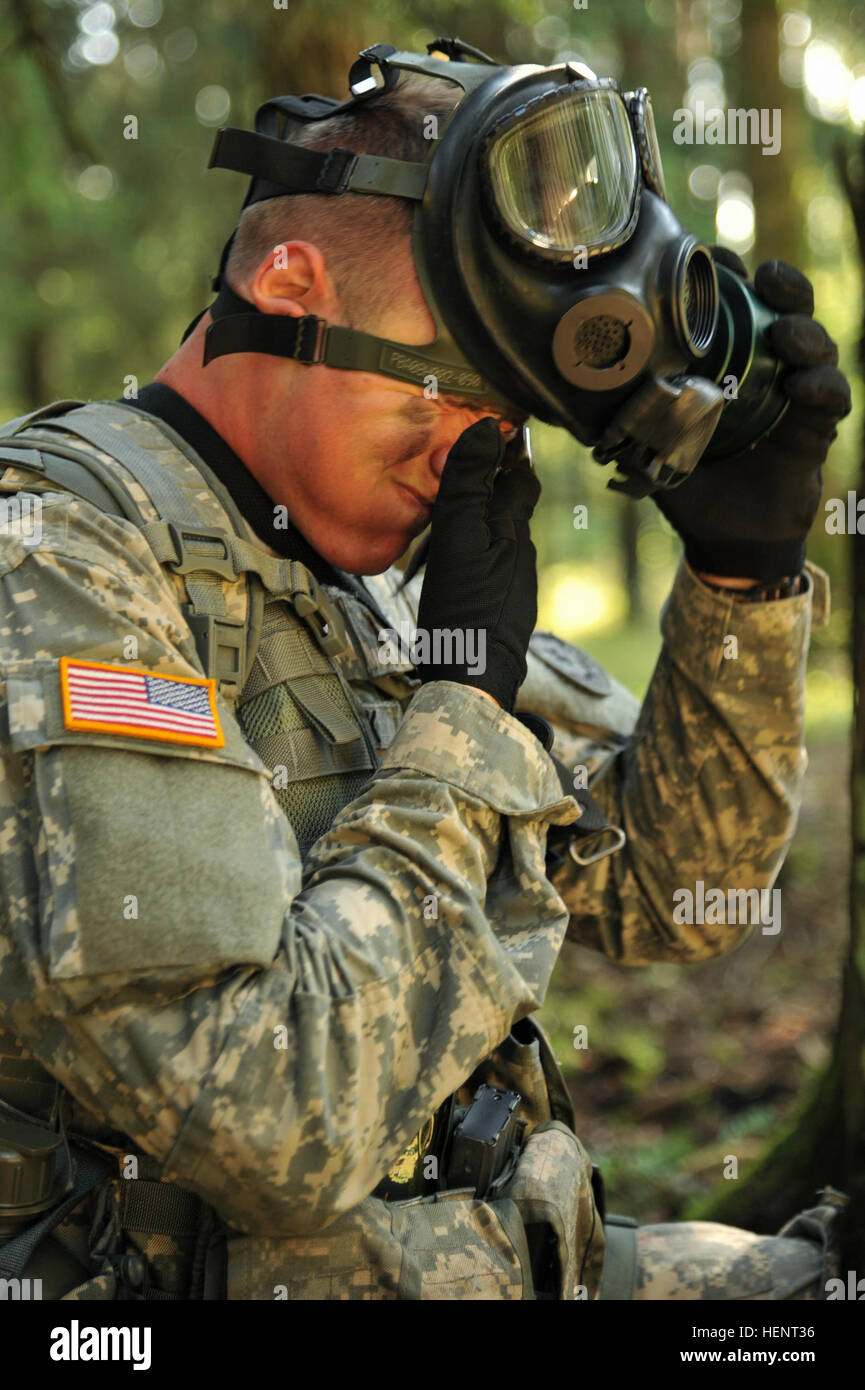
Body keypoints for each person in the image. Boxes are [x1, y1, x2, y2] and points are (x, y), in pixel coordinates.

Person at [0, 46, 851, 1301]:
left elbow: (680, 891)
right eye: (449, 389)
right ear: (291, 291)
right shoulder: (62, 556)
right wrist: (461, 713)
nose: (475, 456)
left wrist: (741, 575)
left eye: (510, 413)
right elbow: (268, 1116)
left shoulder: (379, 574)